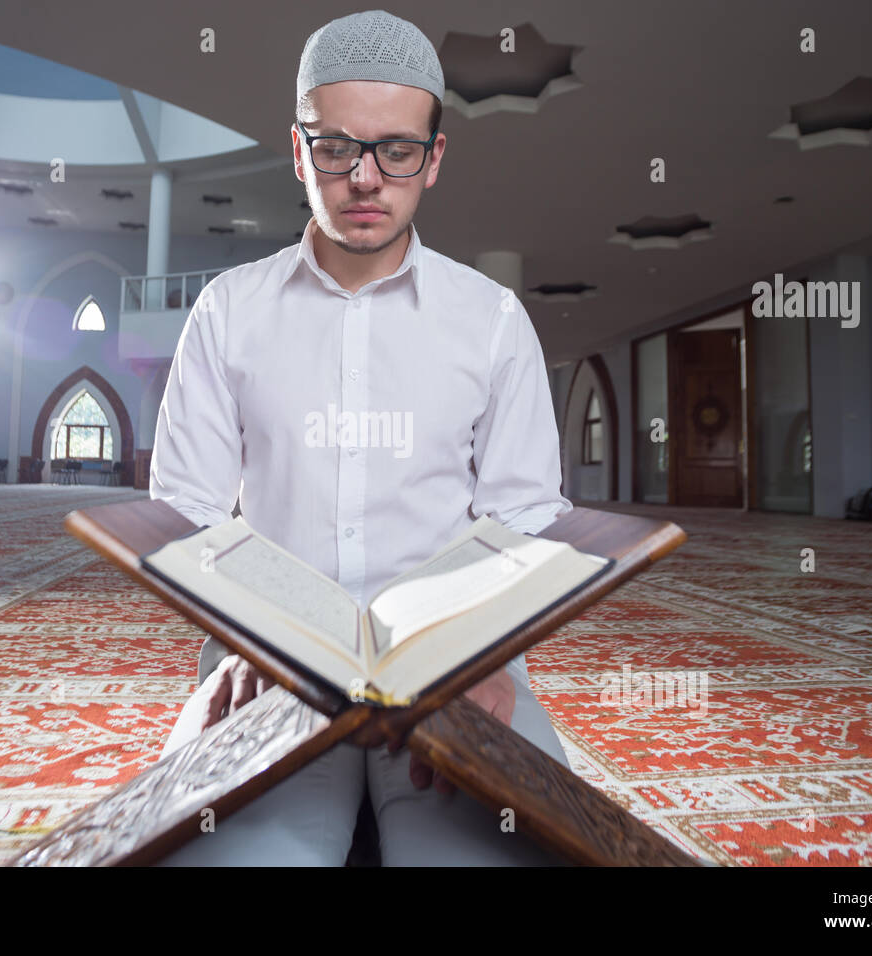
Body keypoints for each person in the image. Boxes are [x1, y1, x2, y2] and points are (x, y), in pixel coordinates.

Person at [148, 9, 573, 865]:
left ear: (434, 158)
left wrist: (486, 659)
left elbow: (524, 518)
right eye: (337, 148)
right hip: (265, 659)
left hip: (459, 663)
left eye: (397, 150)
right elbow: (185, 511)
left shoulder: (489, 319)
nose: (366, 178)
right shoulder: (228, 311)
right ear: (301, 151)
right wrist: (241, 645)